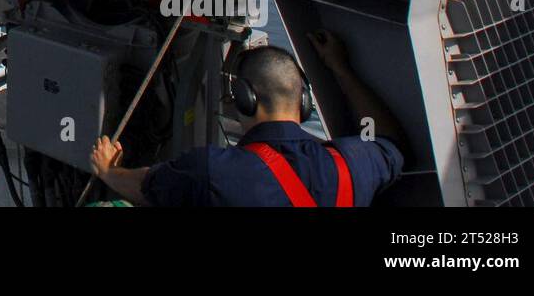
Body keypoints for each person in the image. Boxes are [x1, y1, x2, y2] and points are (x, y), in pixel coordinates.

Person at [89, 32, 404, 207]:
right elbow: (391, 141)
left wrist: (110, 171)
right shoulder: (352, 163)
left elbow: (146, 188)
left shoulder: (213, 171)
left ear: (244, 97)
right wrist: (340, 68)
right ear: (304, 101)